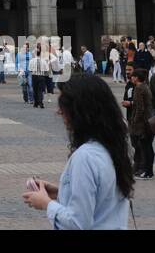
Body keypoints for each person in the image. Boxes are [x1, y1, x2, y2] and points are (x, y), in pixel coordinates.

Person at [22, 74, 133, 229]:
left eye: (64, 109)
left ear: (80, 113)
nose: (60, 115)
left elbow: (77, 223)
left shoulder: (85, 156)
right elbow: (102, 199)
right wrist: (62, 193)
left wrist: (46, 204)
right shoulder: (113, 149)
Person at [128, 69, 155, 179]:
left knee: (145, 147)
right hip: (149, 119)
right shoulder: (145, 86)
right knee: (148, 147)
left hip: (143, 123)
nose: (131, 78)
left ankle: (147, 171)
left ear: (136, 77)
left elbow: (140, 108)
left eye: (133, 76)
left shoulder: (138, 88)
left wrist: (134, 120)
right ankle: (149, 171)